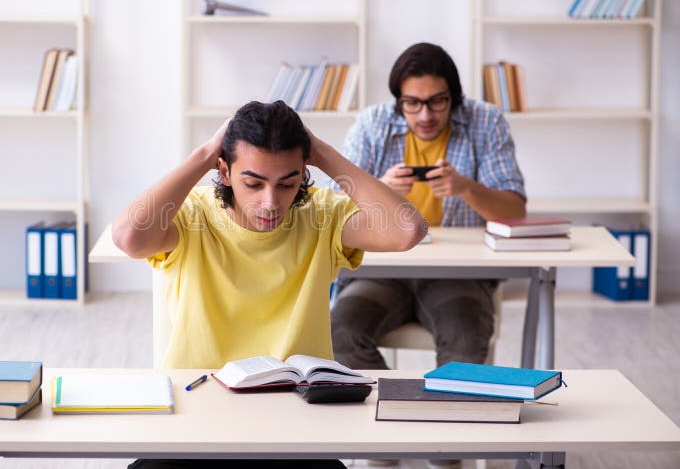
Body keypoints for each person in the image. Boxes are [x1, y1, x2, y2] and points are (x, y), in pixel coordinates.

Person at [113, 100, 427, 469]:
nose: (270, 202)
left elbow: (408, 231)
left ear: (303, 173)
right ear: (225, 171)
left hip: (294, 416)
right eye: (253, 183)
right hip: (198, 413)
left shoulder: (322, 215)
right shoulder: (193, 214)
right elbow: (128, 237)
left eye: (287, 183)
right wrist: (203, 154)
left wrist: (322, 153)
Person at [330, 43, 526, 469]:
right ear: (397, 100)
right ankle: (387, 442)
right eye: (412, 103)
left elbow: (515, 211)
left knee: (465, 338)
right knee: (339, 330)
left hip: (457, 275)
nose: (424, 115)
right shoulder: (372, 123)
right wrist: (379, 189)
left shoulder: (486, 121)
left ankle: (444, 454)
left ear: (454, 98)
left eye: (437, 102)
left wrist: (468, 188)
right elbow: (329, 206)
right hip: (382, 274)